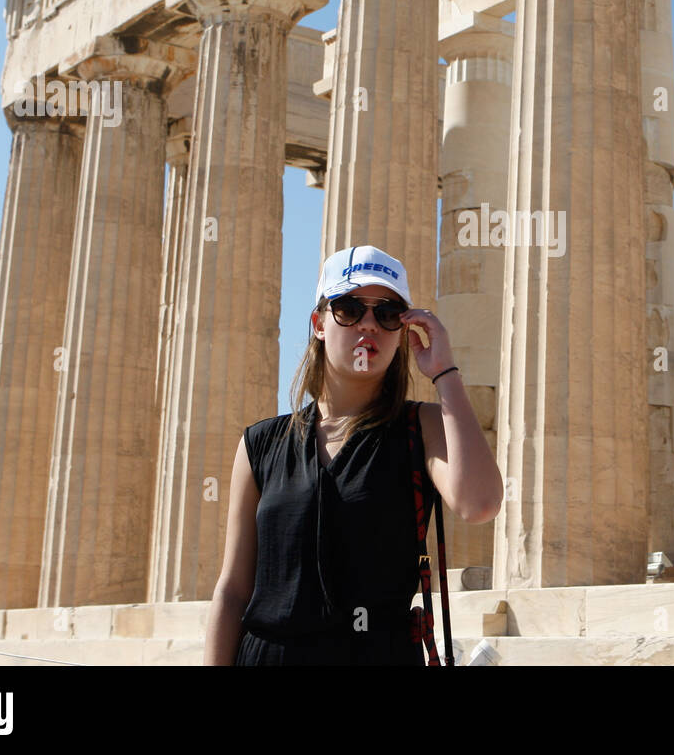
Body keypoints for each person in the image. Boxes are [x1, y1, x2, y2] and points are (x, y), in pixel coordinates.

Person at [204, 245, 503, 665]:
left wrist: (445, 374)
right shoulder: (261, 443)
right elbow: (234, 589)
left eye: (386, 313)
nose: (369, 325)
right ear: (319, 323)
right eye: (349, 308)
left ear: (403, 329)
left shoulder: (424, 427)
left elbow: (480, 503)